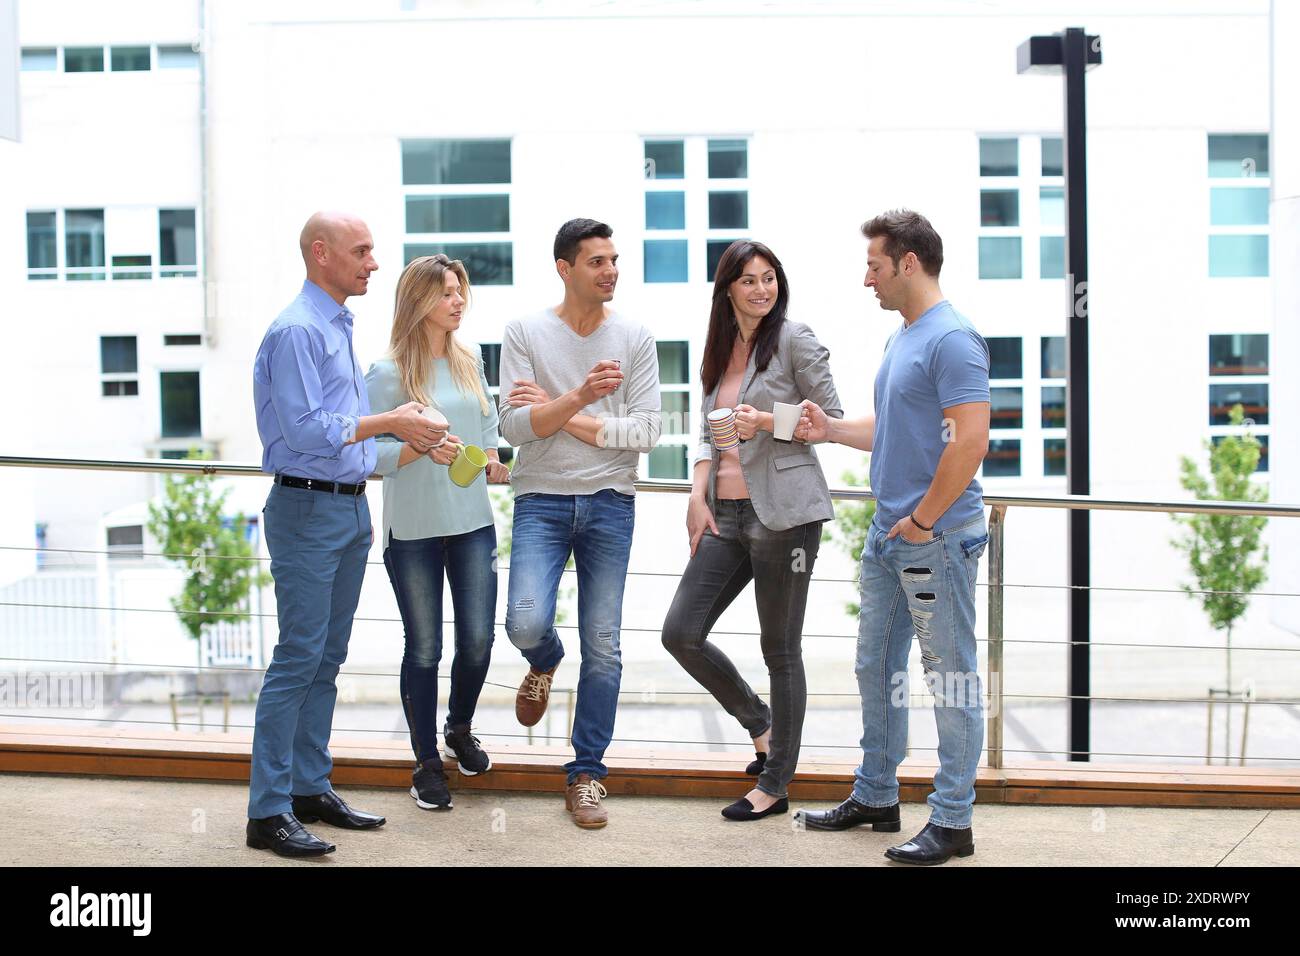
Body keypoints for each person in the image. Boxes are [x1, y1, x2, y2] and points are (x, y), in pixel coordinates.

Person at [792, 209, 991, 865]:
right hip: (890, 535)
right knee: (875, 667)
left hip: (933, 538)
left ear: (908, 263)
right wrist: (830, 430)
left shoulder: (952, 339)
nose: (867, 279)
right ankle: (876, 795)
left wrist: (926, 520)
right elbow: (895, 430)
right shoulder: (904, 337)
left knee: (949, 679)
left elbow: (971, 442)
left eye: (874, 265)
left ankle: (953, 823)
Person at [247, 211, 446, 858]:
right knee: (298, 660)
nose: (373, 262)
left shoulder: (333, 326)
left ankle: (308, 787)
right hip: (306, 512)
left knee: (324, 661)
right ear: (321, 253)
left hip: (345, 509)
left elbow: (347, 447)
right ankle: (268, 810)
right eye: (362, 251)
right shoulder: (298, 331)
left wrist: (411, 442)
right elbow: (306, 432)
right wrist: (388, 418)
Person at [660, 240, 842, 822]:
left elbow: (828, 420)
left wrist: (768, 421)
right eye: (749, 280)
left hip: (784, 516)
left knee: (780, 650)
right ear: (728, 289)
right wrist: (696, 493)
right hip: (726, 513)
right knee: (681, 632)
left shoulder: (794, 338)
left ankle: (776, 780)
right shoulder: (718, 348)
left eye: (769, 279)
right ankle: (759, 723)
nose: (761, 289)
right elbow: (708, 429)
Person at [497, 218, 661, 829]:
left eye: (614, 259)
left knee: (606, 645)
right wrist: (583, 398)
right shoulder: (525, 331)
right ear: (565, 269)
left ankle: (586, 774)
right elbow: (510, 430)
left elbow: (645, 434)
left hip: (611, 500)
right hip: (540, 495)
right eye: (597, 261)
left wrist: (556, 411)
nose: (611, 270)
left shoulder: (635, 337)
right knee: (525, 620)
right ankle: (543, 660)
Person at [365, 254, 511, 812]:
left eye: (459, 291)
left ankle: (459, 728)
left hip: (472, 523)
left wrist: (494, 461)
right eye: (446, 292)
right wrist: (416, 445)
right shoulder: (384, 375)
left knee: (477, 641)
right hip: (414, 533)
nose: (458, 301)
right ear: (418, 300)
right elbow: (368, 454)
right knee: (424, 649)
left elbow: (489, 433)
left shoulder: (470, 360)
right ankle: (426, 762)